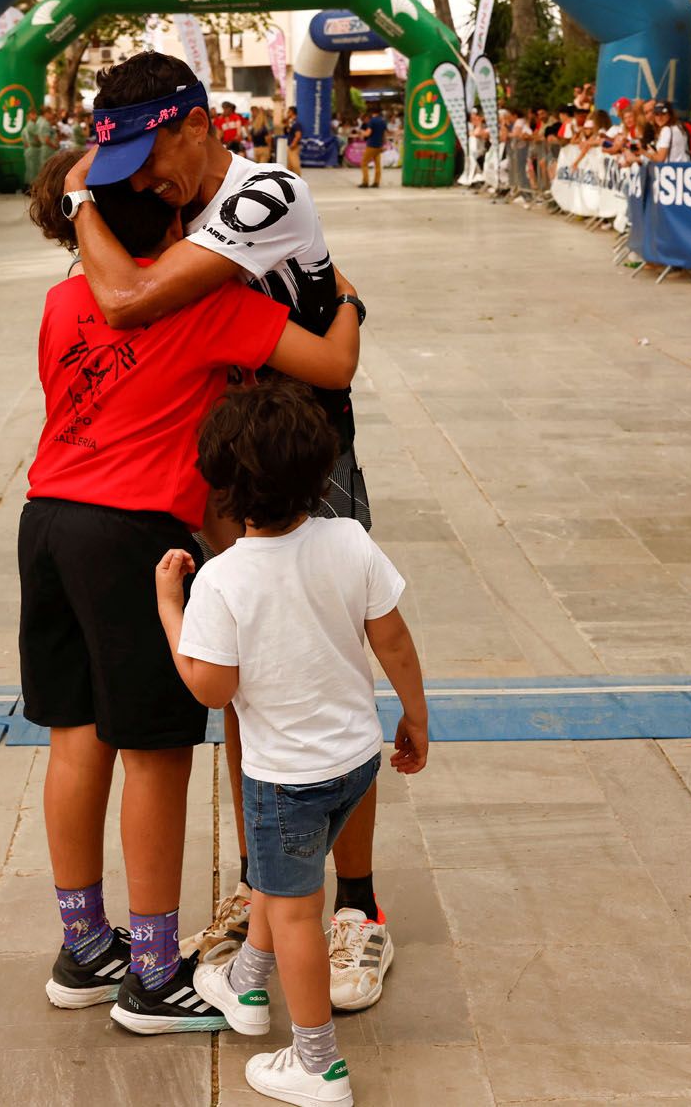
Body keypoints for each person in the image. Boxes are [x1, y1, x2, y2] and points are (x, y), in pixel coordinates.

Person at [64, 54, 398, 1013]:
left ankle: (359, 913)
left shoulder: (261, 192)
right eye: (117, 158)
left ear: (198, 123)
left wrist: (76, 197)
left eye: (149, 151)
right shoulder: (176, 209)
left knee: (330, 678)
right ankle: (270, 898)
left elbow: (128, 301)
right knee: (246, 690)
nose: (139, 174)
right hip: (226, 471)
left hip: (306, 464)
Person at [155, 379, 430, 1107]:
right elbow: (394, 640)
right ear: (321, 471)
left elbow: (211, 689)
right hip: (356, 761)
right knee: (289, 884)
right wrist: (416, 718)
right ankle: (245, 984)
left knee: (295, 906)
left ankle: (317, 1064)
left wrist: (168, 610)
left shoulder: (223, 580)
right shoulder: (349, 539)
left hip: (284, 782)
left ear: (220, 490)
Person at [359, 105, 386, 188]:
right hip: (379, 145)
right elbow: (384, 134)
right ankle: (376, 182)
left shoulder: (372, 121)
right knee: (377, 164)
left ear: (372, 113)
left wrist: (362, 132)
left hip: (371, 145)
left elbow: (368, 133)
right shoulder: (383, 121)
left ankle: (365, 182)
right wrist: (382, 144)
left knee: (364, 163)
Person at [281, 108, 304, 175]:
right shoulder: (291, 122)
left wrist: (293, 144)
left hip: (293, 146)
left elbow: (298, 135)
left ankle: (299, 180)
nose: (287, 113)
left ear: (292, 112)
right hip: (290, 146)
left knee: (295, 165)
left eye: (288, 112)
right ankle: (290, 181)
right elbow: (287, 131)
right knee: (289, 166)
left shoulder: (296, 123)